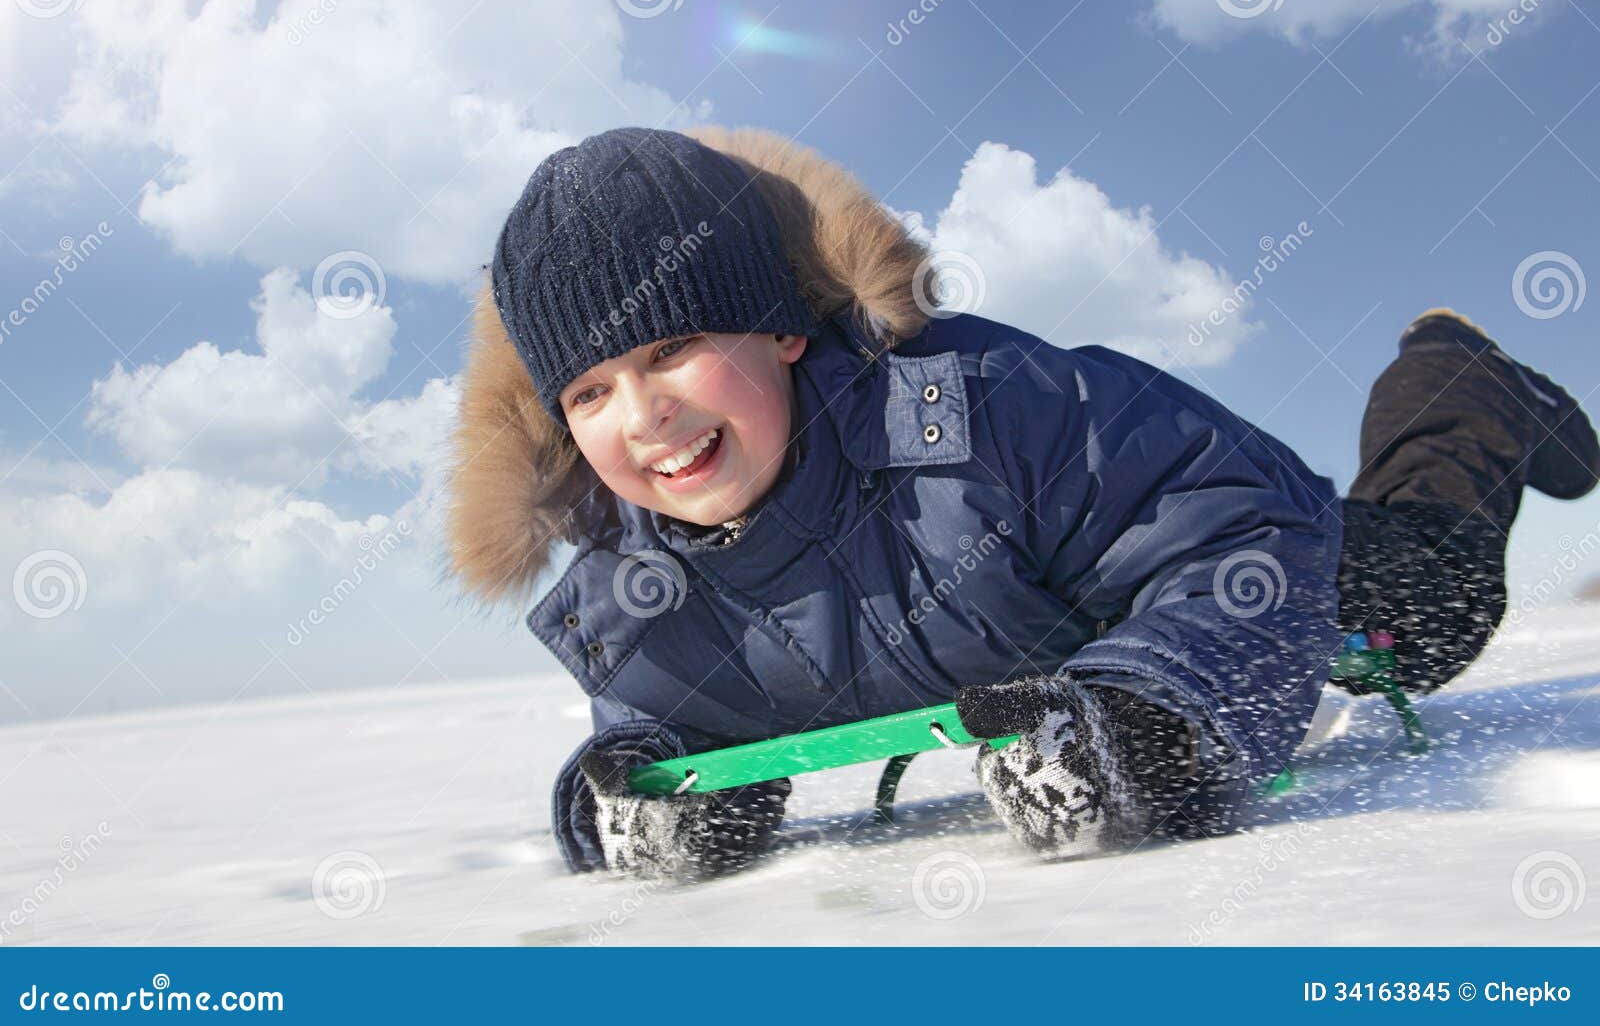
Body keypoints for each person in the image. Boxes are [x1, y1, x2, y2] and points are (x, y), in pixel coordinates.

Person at [447, 126, 1598, 881]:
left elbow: (1237, 533)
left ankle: (1454, 379)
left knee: (1437, 603)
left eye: (676, 347)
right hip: (1116, 601)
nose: (642, 413)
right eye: (590, 389)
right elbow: (659, 704)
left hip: (1277, 553)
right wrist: (651, 786)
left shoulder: (976, 420)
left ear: (783, 328)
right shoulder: (636, 580)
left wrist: (1154, 711)